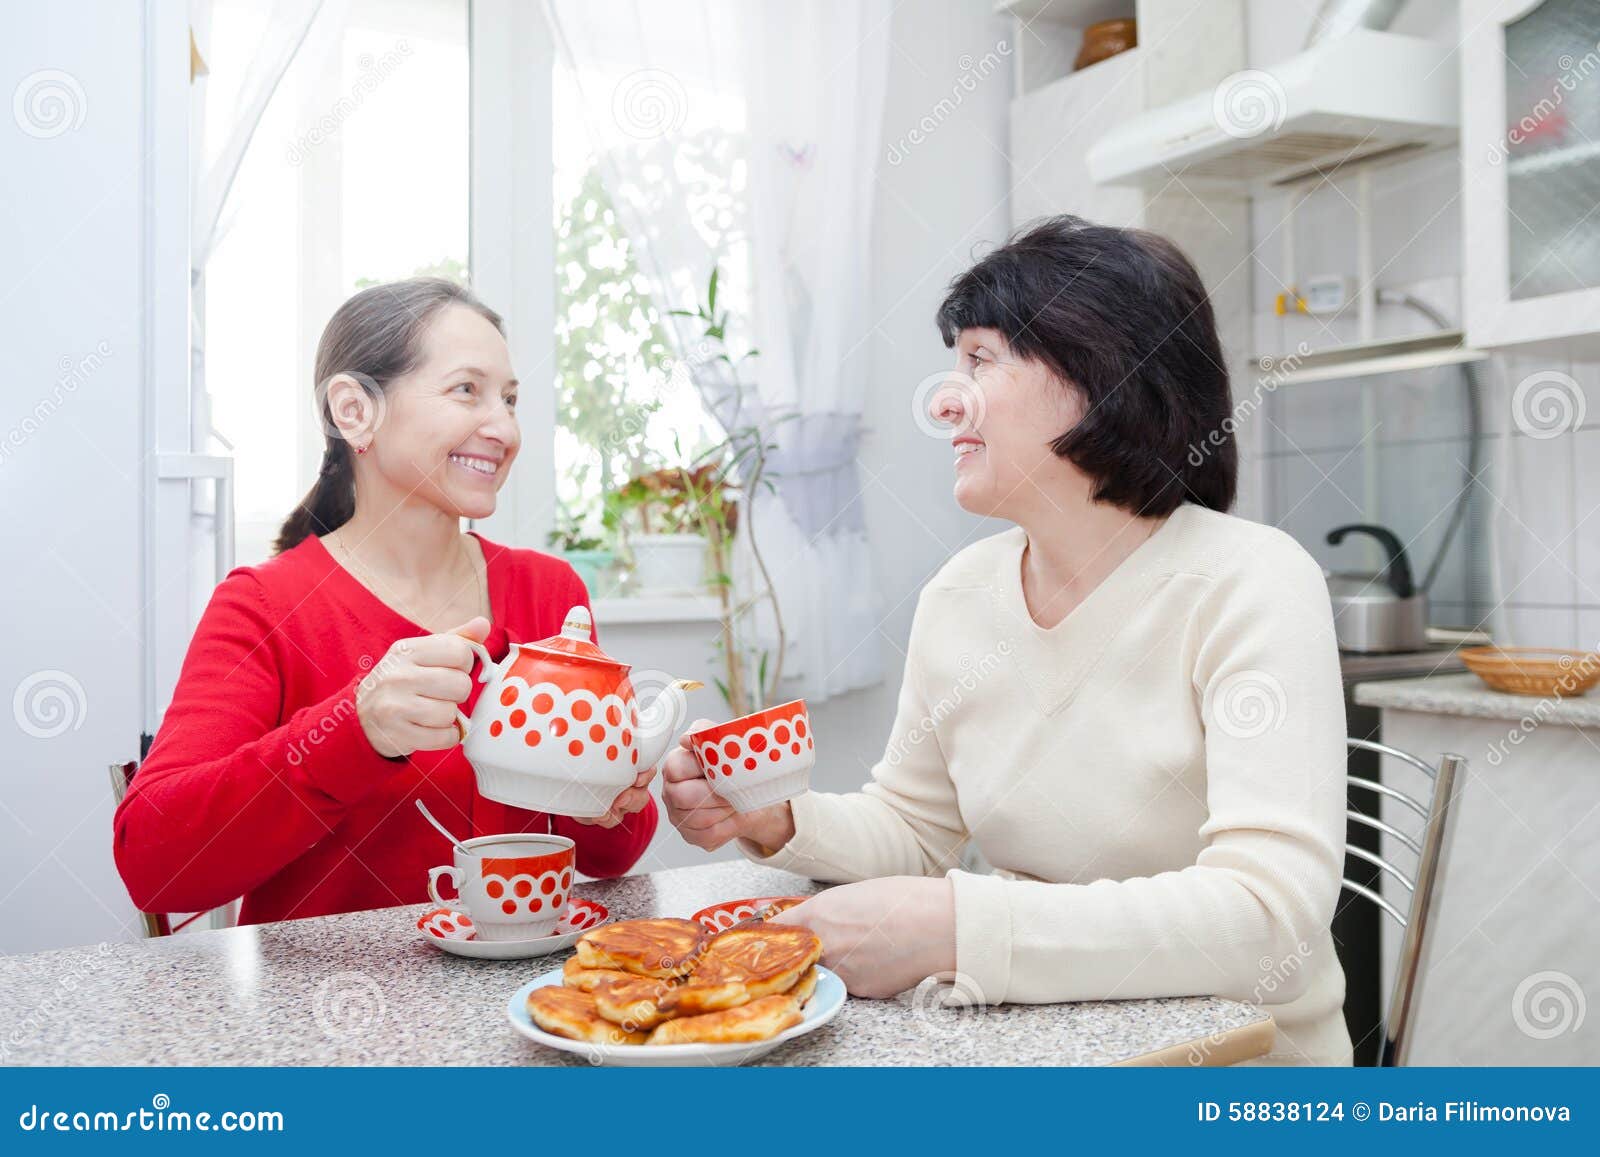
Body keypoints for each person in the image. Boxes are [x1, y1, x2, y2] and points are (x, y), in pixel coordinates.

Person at [660, 217, 1352, 1065]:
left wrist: (960, 926)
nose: (946, 400)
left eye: (981, 360)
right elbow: (914, 829)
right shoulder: (960, 597)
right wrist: (776, 817)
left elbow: (1267, 913)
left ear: (1102, 369)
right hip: (1048, 1046)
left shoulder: (1252, 582)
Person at [114, 279, 657, 925]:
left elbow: (612, 852)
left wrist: (610, 790)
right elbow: (155, 865)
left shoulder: (550, 593)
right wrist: (354, 730)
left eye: (510, 399)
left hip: (531, 999)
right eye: (467, 390)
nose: (504, 428)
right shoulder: (264, 606)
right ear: (354, 411)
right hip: (329, 1018)